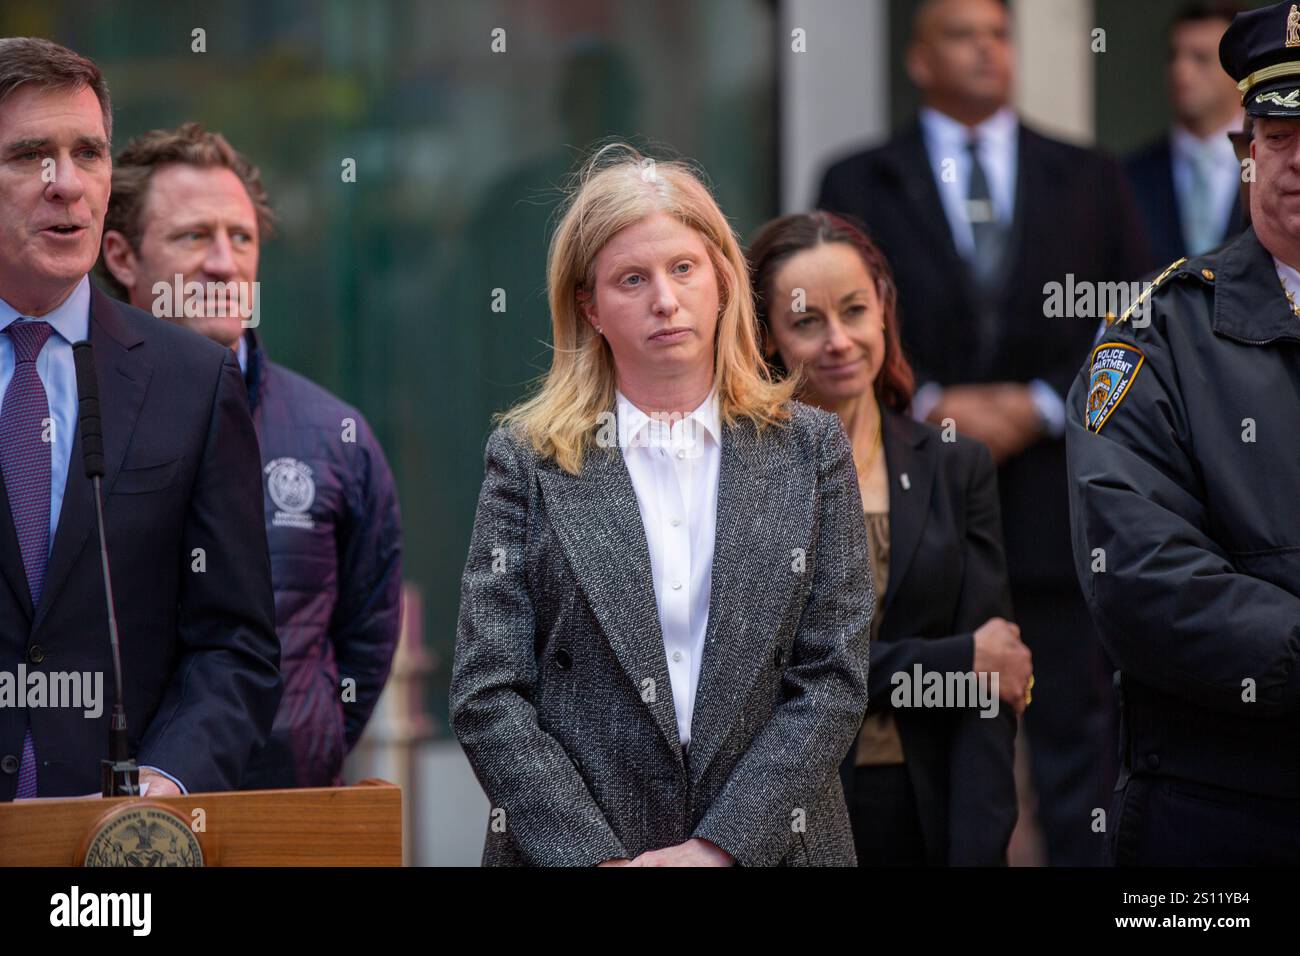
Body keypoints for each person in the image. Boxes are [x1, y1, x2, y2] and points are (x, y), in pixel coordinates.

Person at [450, 145, 873, 866]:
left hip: (776, 849)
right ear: (589, 305)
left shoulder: (811, 448)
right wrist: (600, 860)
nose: (666, 300)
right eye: (631, 279)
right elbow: (488, 692)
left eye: (684, 268)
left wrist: (718, 849)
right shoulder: (527, 459)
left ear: (722, 281)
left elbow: (831, 679)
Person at [816, 0, 1150, 865]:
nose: (986, 50)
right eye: (962, 36)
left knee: (1079, 744)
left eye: (998, 35)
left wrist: (1042, 402)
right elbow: (834, 314)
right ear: (919, 60)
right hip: (917, 507)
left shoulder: (1088, 175)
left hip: (1056, 505)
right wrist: (926, 402)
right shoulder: (858, 181)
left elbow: (1133, 321)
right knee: (934, 732)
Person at [0, 38, 279, 799]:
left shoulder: (191, 382)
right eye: (30, 156)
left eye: (88, 152)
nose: (67, 185)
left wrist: (165, 778)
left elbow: (234, 644)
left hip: (119, 851)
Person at [98, 123, 403, 789]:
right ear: (121, 258)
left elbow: (368, 634)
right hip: (113, 822)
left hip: (283, 812)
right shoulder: (70, 417)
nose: (223, 262)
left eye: (241, 237)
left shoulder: (334, 437)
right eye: (192, 236)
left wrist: (307, 738)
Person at [1066, 0, 1300, 865]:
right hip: (1221, 807)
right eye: (1277, 134)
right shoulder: (1158, 328)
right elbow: (1137, 571)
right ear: (1245, 156)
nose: (1298, 158)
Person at [751, 211, 1030, 865]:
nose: (839, 341)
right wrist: (958, 660)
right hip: (787, 818)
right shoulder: (743, 476)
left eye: (854, 310)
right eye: (806, 322)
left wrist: (979, 850)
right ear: (767, 338)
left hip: (925, 811)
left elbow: (995, 695)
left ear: (884, 309)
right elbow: (773, 678)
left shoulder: (955, 465)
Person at [1127, 2, 1247, 265]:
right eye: (1174, 56)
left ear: (1240, 71)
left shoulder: (1277, 168)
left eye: (1200, 58)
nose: (1181, 71)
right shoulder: (1129, 176)